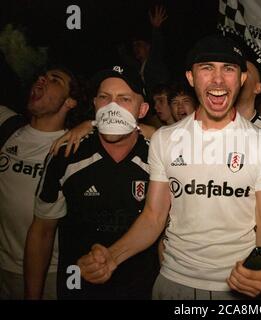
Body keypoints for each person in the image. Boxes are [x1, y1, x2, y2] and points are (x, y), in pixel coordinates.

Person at [77, 35, 261, 300]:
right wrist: (112, 257)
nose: (218, 80)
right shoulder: (165, 139)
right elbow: (153, 216)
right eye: (207, 68)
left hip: (237, 286)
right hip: (173, 281)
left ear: (242, 79)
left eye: (228, 69)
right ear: (190, 77)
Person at [24, 65, 159, 299]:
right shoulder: (65, 155)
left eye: (124, 99)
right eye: (104, 98)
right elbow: (42, 231)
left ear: (143, 109)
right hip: (78, 288)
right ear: (95, 104)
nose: (113, 108)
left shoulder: (160, 156)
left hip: (141, 289)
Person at [0, 66, 82, 299]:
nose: (42, 80)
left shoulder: (73, 146)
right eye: (41, 77)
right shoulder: (7, 126)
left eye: (54, 80)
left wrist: (90, 124)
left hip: (50, 273)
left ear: (70, 102)